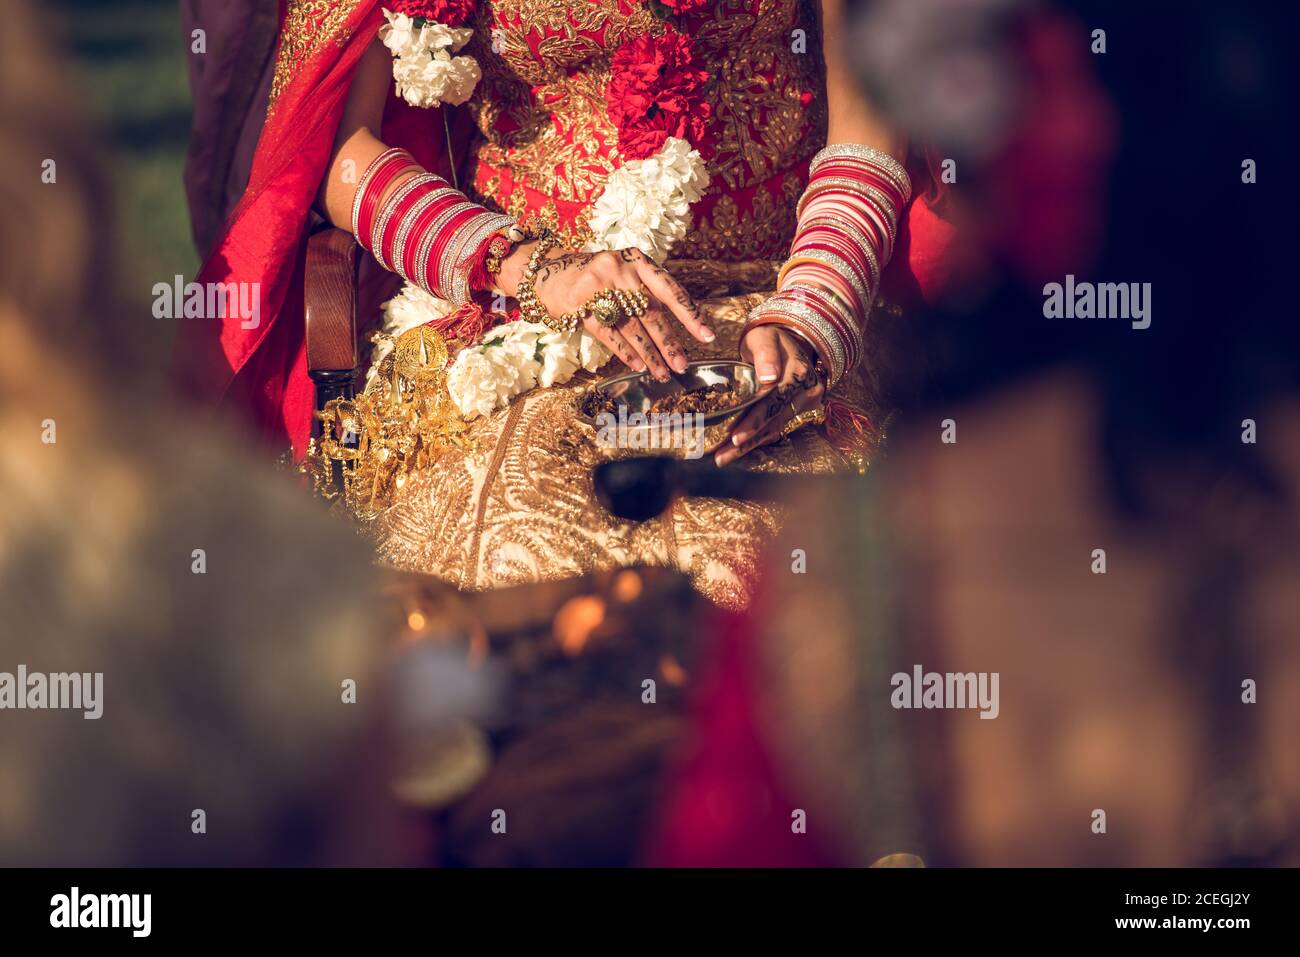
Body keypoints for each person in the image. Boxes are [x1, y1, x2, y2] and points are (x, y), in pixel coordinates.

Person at [175, 0, 956, 608]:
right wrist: (524, 267)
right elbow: (345, 158)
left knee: (806, 586)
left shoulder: (799, 316)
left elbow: (869, 123)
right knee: (510, 580)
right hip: (518, 323)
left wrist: (811, 313)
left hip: (774, 313)